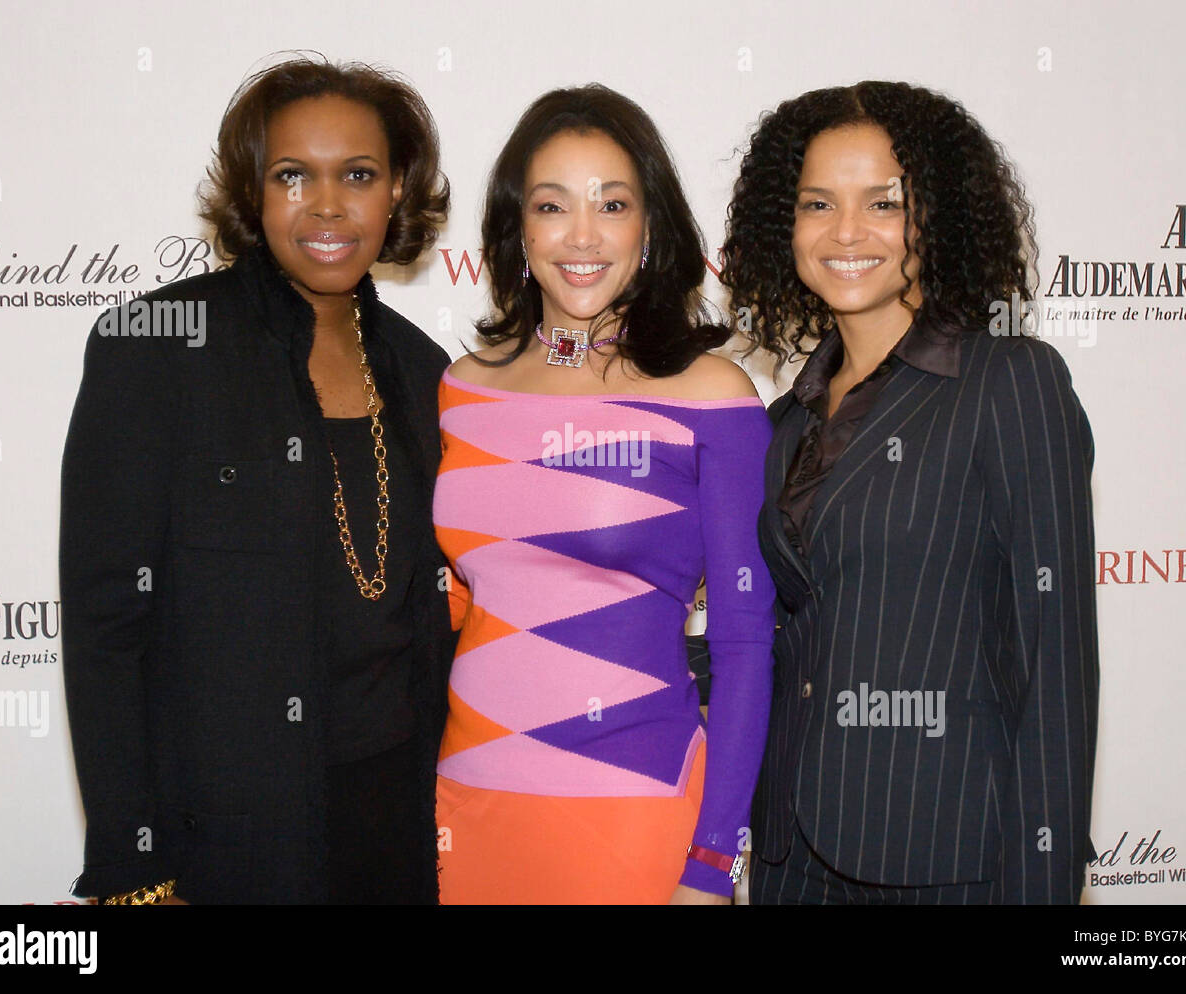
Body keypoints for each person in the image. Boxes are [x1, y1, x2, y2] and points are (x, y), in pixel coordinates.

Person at [59, 57, 454, 904]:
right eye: (291, 175)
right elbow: (105, 633)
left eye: (358, 174)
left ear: (398, 192)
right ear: (253, 193)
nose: (327, 206)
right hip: (225, 839)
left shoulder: (426, 373)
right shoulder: (155, 350)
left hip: (401, 823)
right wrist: (133, 868)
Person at [722, 80, 1099, 904]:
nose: (846, 231)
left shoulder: (1009, 382)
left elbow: (1057, 665)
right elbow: (795, 639)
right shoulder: (786, 419)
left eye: (883, 203)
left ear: (939, 217)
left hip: (947, 855)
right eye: (818, 203)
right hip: (792, 856)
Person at [432, 84, 775, 904]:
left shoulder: (710, 395)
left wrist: (712, 861)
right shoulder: (459, 389)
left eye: (612, 204)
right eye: (553, 206)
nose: (582, 236)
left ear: (649, 227)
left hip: (632, 809)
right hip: (467, 805)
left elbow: (744, 647)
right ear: (519, 229)